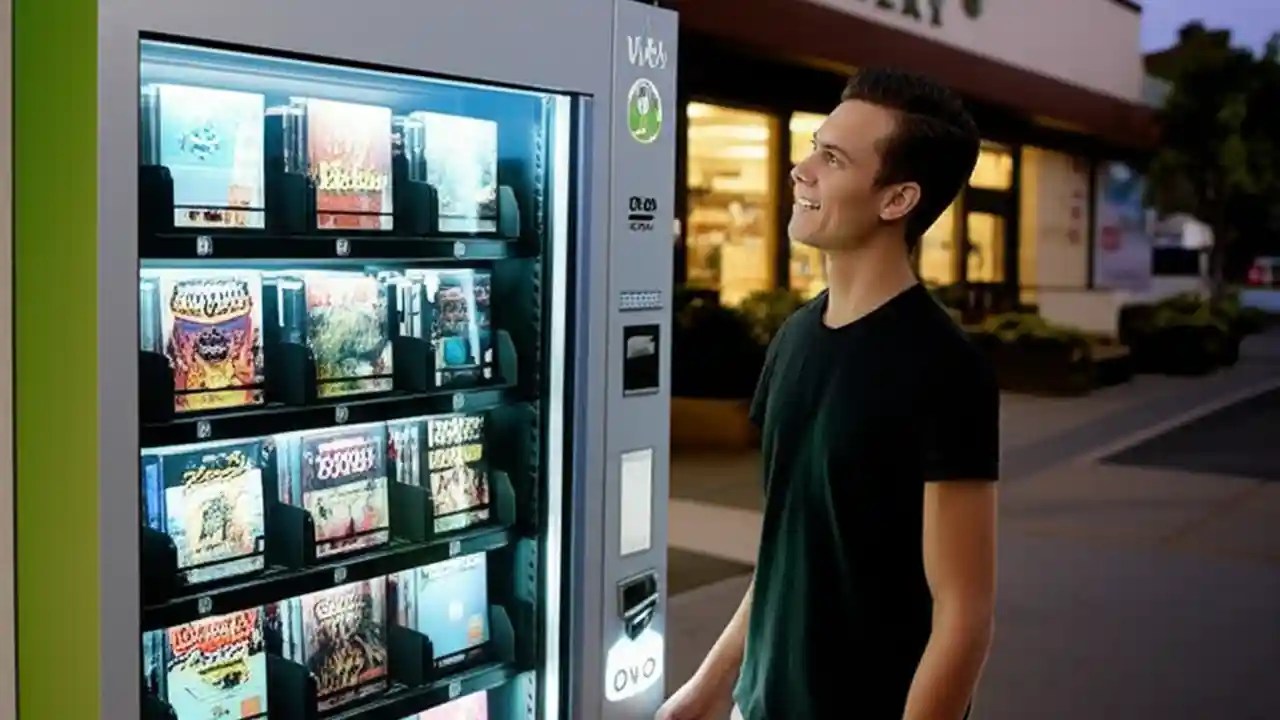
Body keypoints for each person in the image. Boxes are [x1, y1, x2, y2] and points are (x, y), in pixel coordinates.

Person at [656, 68, 1000, 720]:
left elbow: (964, 616)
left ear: (896, 200)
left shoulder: (946, 367)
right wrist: (707, 688)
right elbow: (786, 554)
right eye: (815, 146)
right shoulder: (792, 340)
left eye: (832, 158)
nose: (800, 169)